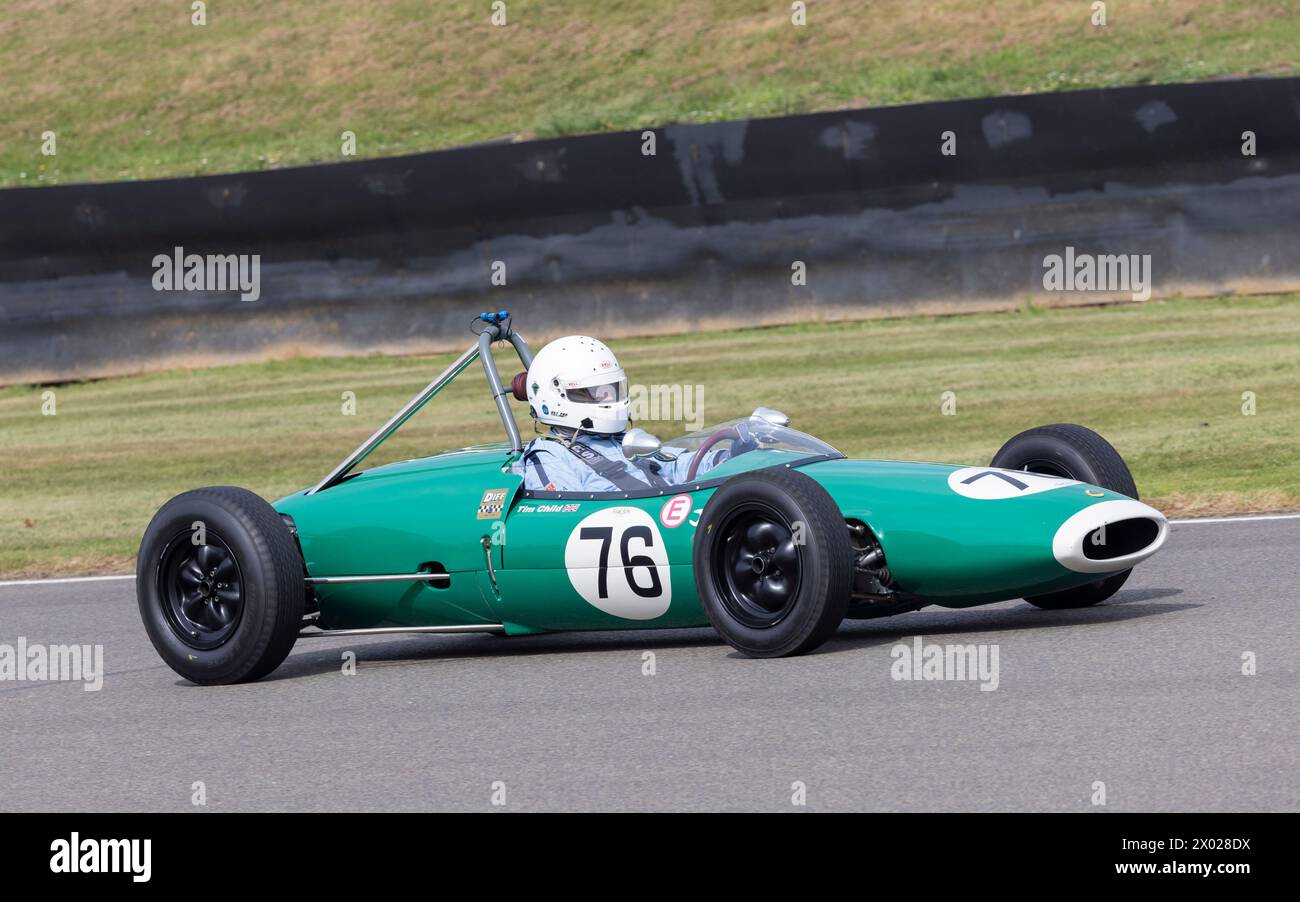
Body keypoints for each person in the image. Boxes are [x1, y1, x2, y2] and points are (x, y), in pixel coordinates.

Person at [511, 335, 730, 492]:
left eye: (612, 389)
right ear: (557, 395)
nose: (609, 399)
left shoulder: (624, 441)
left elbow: (676, 465)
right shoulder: (548, 456)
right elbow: (564, 521)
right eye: (596, 392)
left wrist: (731, 457)